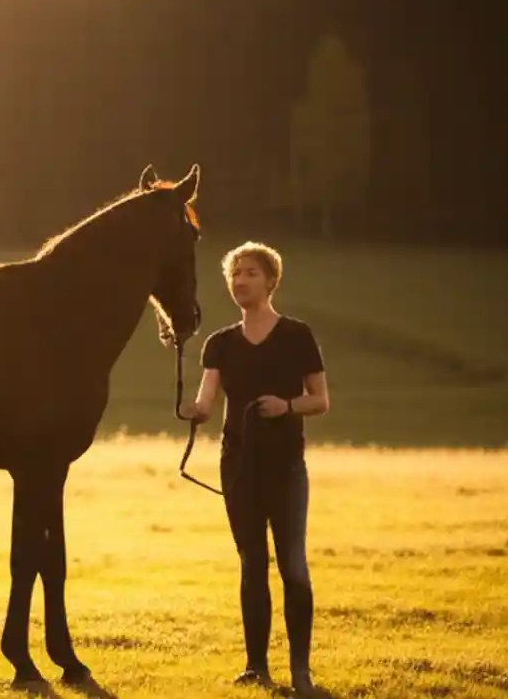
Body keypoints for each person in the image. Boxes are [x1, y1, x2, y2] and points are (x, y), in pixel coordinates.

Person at [181, 241, 330, 695]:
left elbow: (320, 401)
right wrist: (192, 410)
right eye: (235, 274)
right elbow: (207, 402)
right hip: (238, 468)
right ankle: (256, 667)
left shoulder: (297, 335)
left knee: (293, 567)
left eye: (250, 273)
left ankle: (300, 672)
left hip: (285, 467)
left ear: (270, 281)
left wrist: (286, 406)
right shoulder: (220, 344)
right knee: (251, 565)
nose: (240, 281)